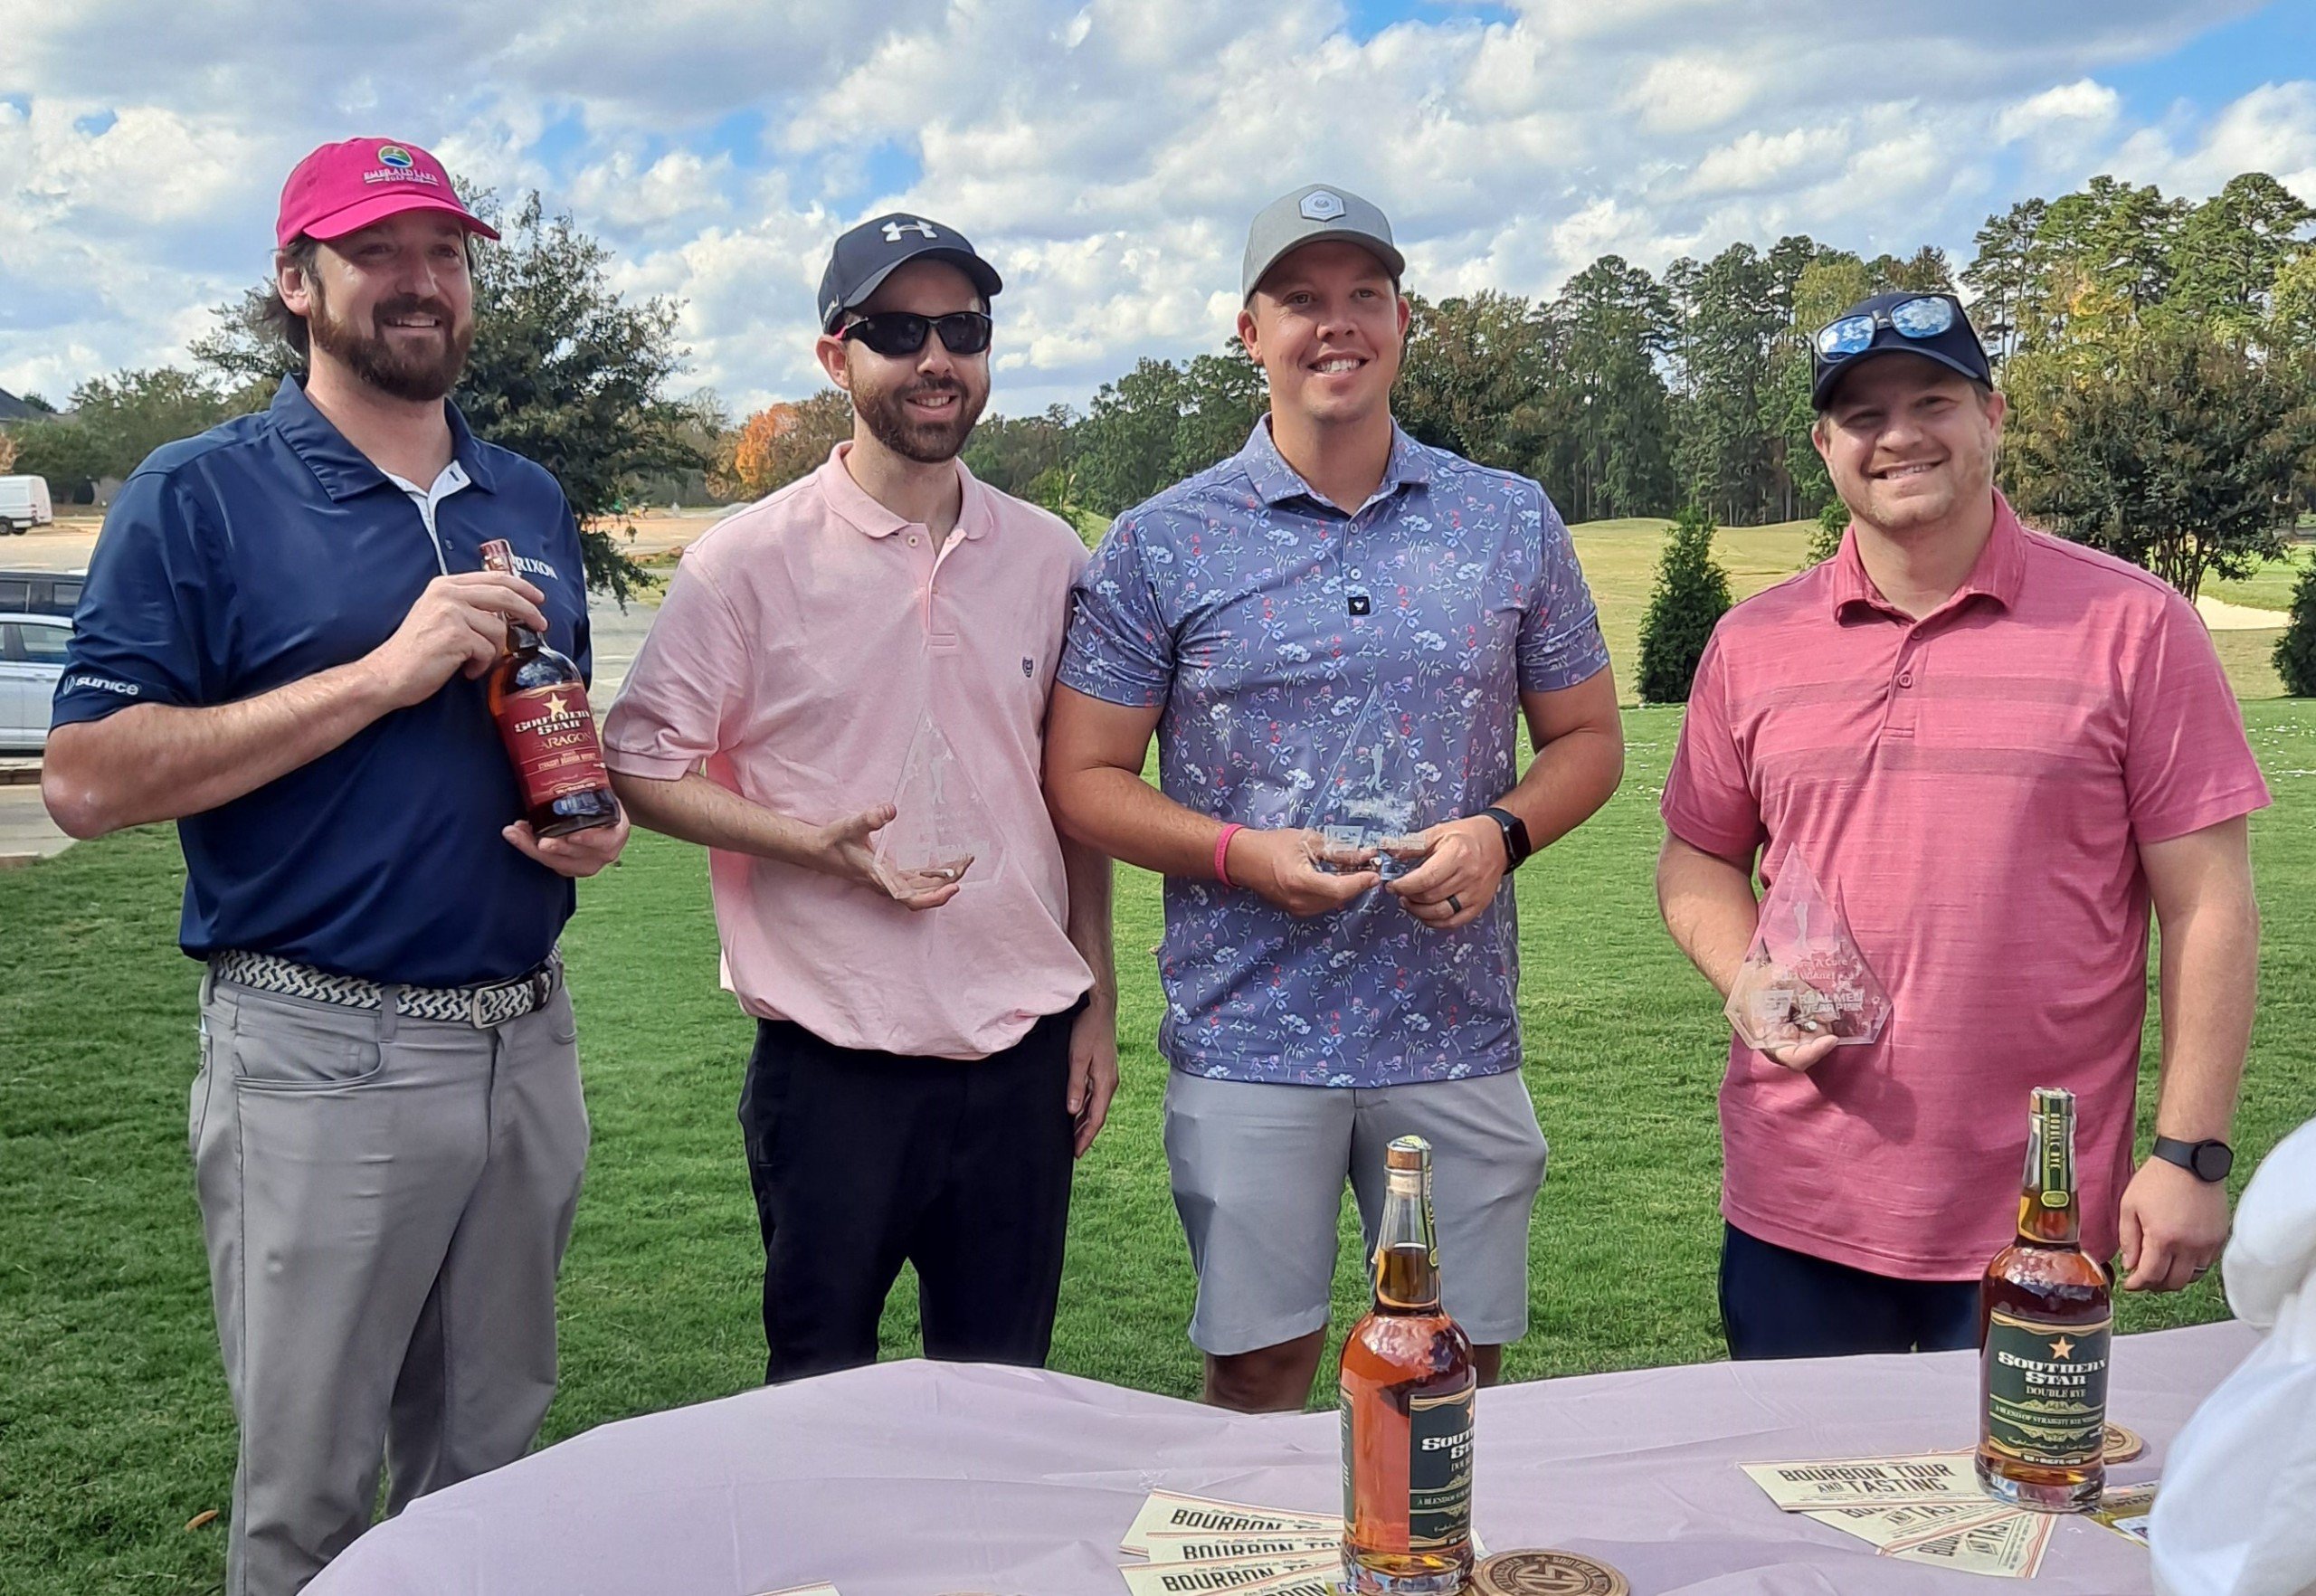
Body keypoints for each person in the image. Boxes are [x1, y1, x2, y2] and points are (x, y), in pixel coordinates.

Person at [40, 138, 624, 1594]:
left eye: (446, 252)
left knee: (494, 1474)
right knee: (308, 1503)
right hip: (319, 1050)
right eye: (379, 253)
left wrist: (587, 820)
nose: (421, 283)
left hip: (526, 1038)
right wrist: (382, 671)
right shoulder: (203, 494)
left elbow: (548, 726)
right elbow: (86, 780)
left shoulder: (529, 497)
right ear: (297, 285)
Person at [1043, 185, 1624, 1412]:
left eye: (1365, 294)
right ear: (1249, 333)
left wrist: (1501, 833)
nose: (1336, 324)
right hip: (1252, 1039)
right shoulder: (1162, 541)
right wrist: (1240, 855)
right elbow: (1081, 777)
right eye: (1301, 299)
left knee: (1448, 1374)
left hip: (1454, 1031)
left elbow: (1586, 742)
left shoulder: (1505, 518)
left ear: (1406, 320)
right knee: (1257, 1373)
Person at [1656, 290, 2268, 1360]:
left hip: (2035, 1212)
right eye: (1861, 416)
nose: (1897, 436)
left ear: (1991, 415)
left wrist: (2190, 1152)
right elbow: (1698, 857)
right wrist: (1740, 973)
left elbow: (2209, 903)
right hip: (1797, 1195)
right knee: (1808, 1508)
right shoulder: (1753, 642)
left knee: (2025, 1514)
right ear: (1823, 446)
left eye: (1930, 400)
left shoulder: (2134, 626)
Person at [602, 212, 1116, 1384]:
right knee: (820, 1407)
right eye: (896, 330)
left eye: (962, 329)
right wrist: (807, 845)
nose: (935, 358)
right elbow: (640, 761)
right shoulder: (746, 562)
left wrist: (1095, 999)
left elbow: (1074, 797)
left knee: (1004, 1408)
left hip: (1019, 1054)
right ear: (837, 357)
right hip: (833, 1066)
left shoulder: (1050, 560)